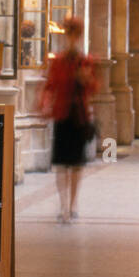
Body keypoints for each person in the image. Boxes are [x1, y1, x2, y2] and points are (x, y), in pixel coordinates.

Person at [39, 15, 97, 223]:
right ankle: (63, 205)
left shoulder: (87, 61)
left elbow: (94, 88)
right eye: (69, 34)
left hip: (79, 117)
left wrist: (86, 78)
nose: (71, 38)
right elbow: (50, 85)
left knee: (76, 164)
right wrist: (44, 105)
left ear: (79, 36)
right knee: (62, 164)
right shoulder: (59, 62)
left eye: (75, 34)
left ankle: (73, 203)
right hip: (63, 115)